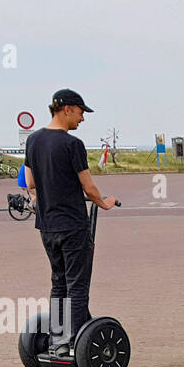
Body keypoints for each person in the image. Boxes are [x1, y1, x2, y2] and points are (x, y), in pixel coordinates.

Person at [24, 88, 117, 349]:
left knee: (58, 283)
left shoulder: (33, 140)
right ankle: (72, 342)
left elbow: (30, 182)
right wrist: (104, 202)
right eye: (80, 113)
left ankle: (57, 340)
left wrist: (47, 194)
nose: (82, 119)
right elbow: (88, 187)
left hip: (47, 226)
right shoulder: (72, 144)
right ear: (66, 109)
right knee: (77, 286)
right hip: (73, 225)